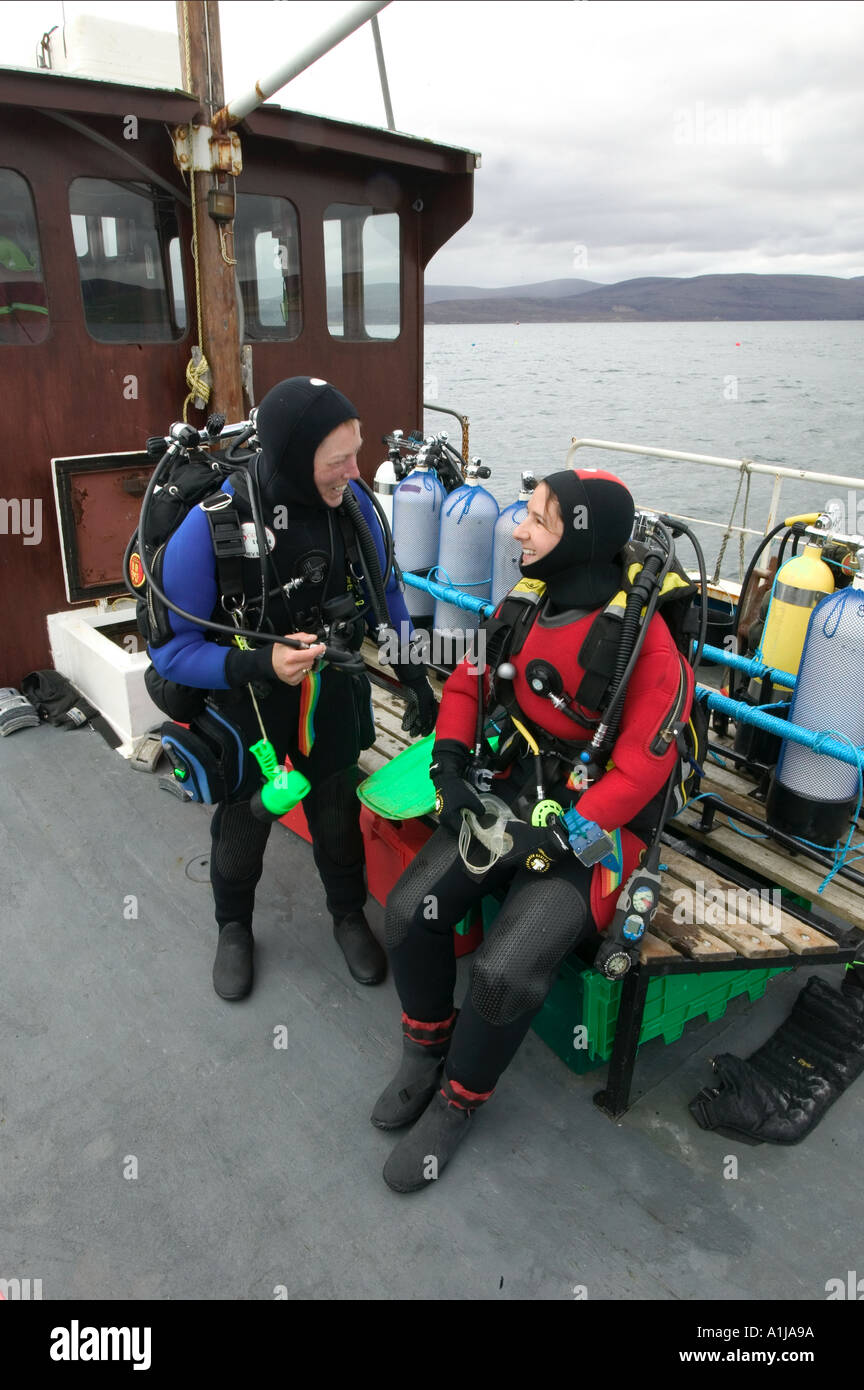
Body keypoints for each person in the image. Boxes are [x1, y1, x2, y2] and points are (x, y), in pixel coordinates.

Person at [371, 468, 694, 1192]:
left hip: (599, 835)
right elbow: (467, 682)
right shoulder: (524, 603)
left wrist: (557, 839)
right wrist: (450, 767)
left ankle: (459, 1101)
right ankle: (427, 1048)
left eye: (540, 521)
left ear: (580, 544)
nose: (518, 528)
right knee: (408, 914)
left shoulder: (651, 652)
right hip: (515, 790)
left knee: (502, 971)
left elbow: (640, 779)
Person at [148, 376, 438, 999]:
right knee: (249, 817)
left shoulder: (355, 508)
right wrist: (260, 663)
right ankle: (233, 927)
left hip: (328, 690)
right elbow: (171, 652)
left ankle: (346, 913)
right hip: (248, 704)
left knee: (335, 807)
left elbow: (387, 597)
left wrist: (415, 676)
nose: (354, 472)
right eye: (339, 461)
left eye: (356, 454)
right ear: (292, 457)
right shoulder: (211, 527)